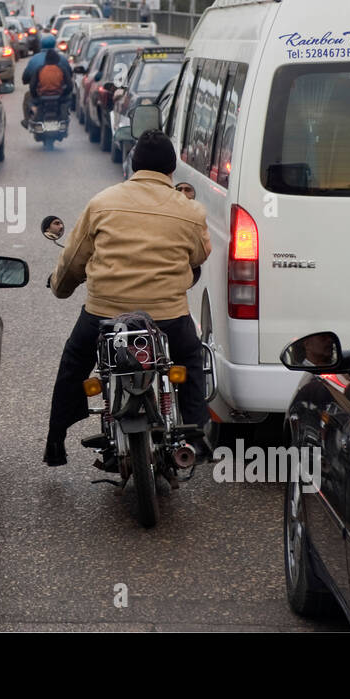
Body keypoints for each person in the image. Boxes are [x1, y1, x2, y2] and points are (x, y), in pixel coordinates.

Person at [44, 130, 212, 466]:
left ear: (133, 165)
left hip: (104, 316)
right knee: (192, 363)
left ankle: (56, 442)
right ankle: (195, 437)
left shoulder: (102, 202)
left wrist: (60, 287)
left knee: (73, 365)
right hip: (167, 319)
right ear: (171, 169)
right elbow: (200, 254)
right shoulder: (190, 211)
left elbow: (75, 259)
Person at [18, 34, 73, 127]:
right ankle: (65, 114)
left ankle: (27, 120)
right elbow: (69, 79)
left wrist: (35, 94)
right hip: (59, 96)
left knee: (27, 97)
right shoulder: (62, 60)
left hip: (41, 96)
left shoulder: (35, 60)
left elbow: (27, 80)